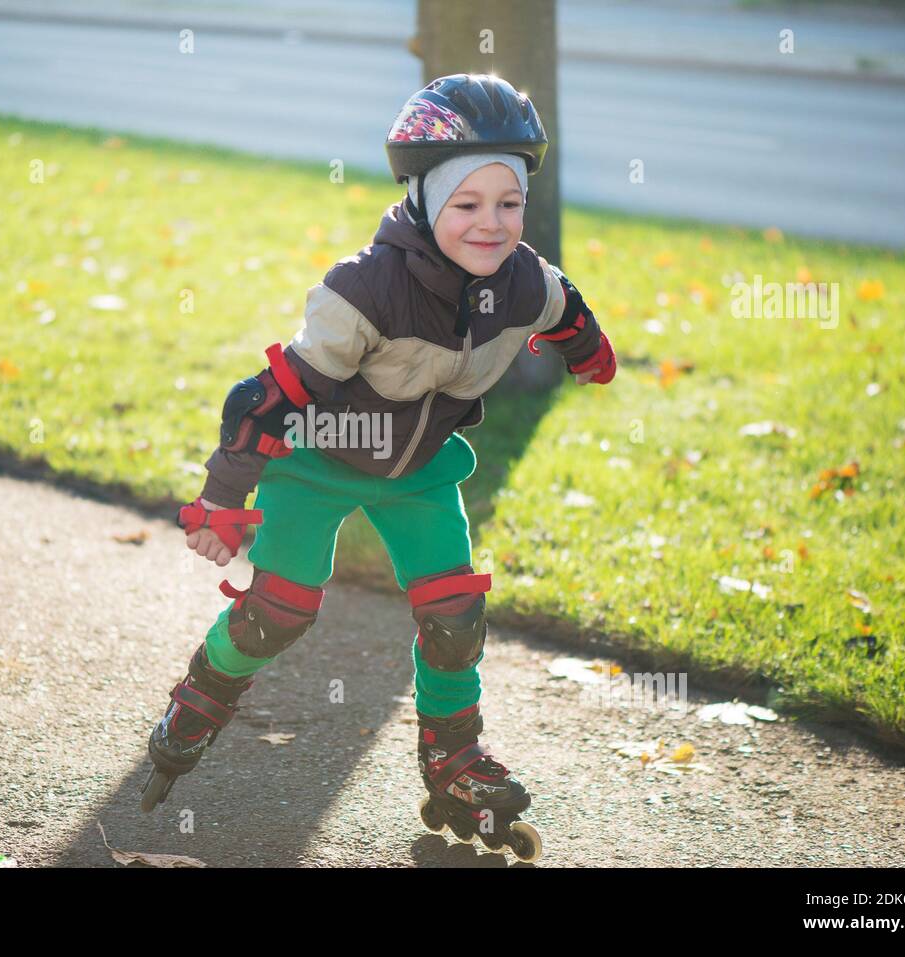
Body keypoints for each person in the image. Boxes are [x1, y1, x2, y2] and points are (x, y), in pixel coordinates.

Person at [142, 74, 616, 857]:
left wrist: (588, 352)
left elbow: (568, 309)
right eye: (467, 204)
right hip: (315, 461)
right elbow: (270, 396)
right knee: (279, 613)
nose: (492, 224)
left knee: (456, 614)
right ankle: (204, 691)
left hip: (421, 470)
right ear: (426, 202)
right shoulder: (364, 290)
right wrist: (223, 498)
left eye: (510, 202)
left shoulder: (526, 280)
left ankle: (453, 756)